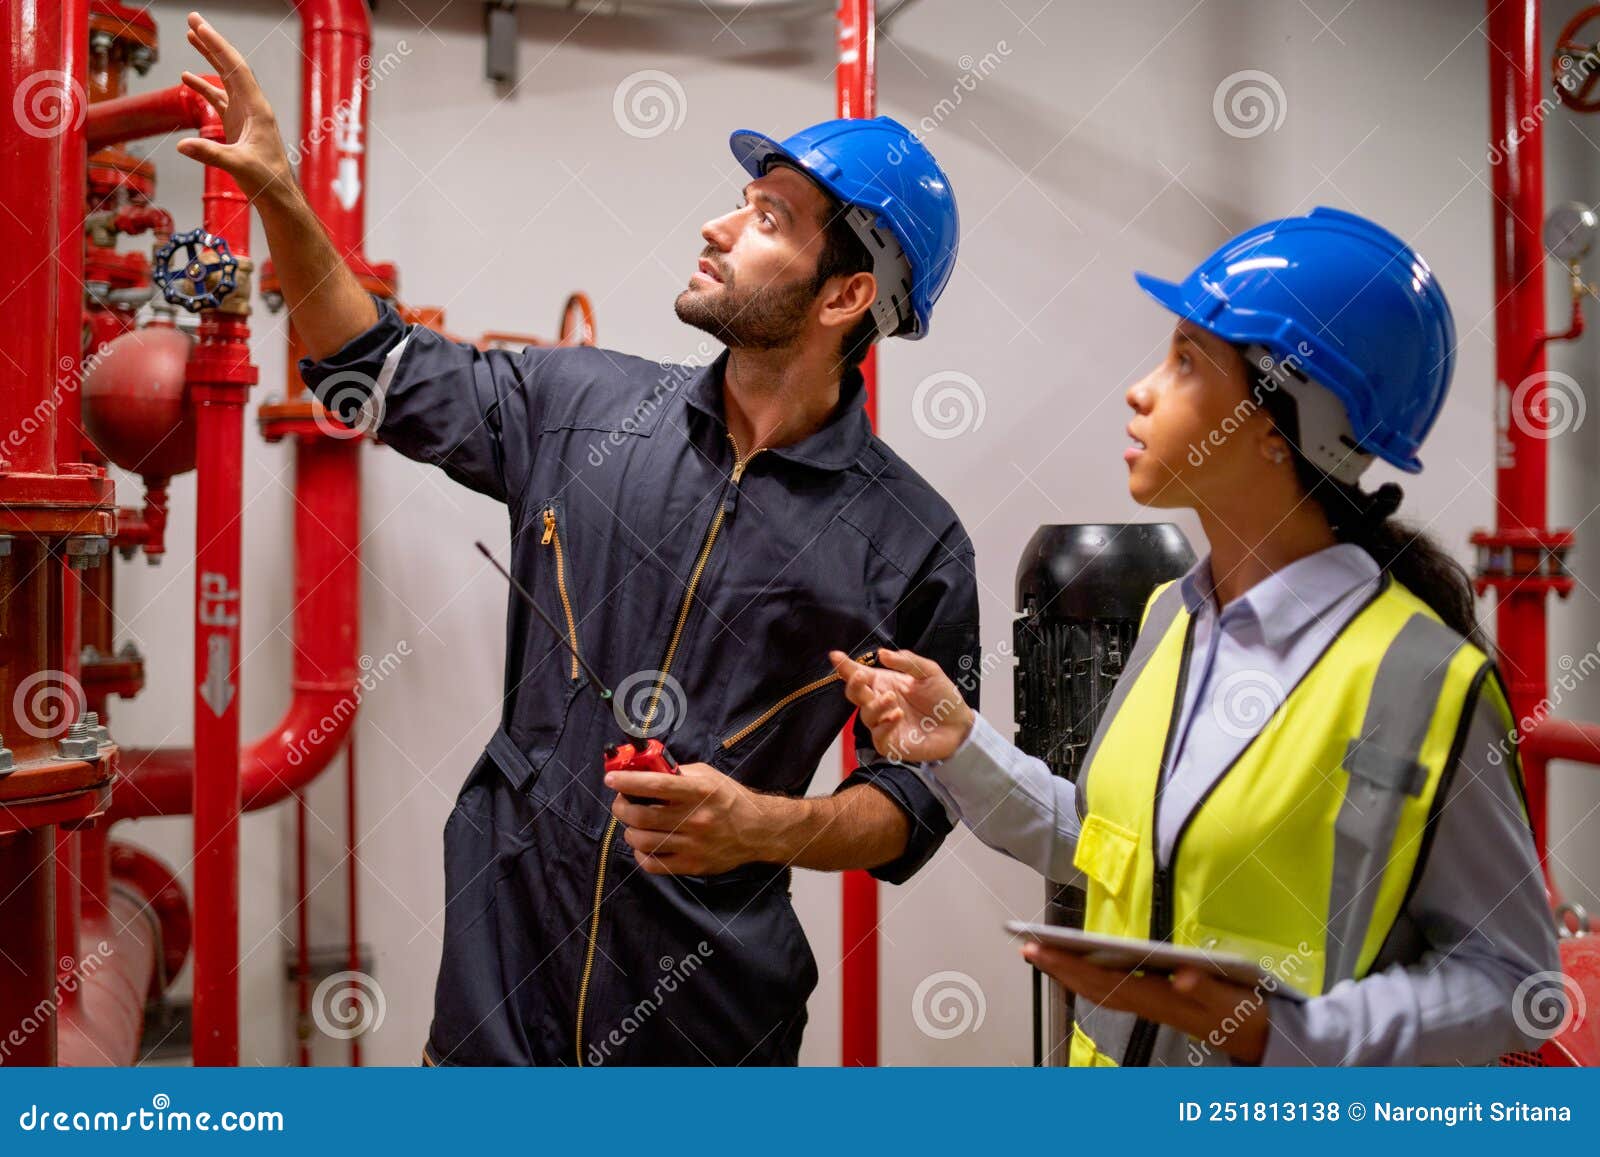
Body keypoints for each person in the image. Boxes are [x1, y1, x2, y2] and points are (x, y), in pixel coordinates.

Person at [175, 12, 979, 1065]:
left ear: (845, 294)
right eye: (741, 203)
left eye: (769, 218)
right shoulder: (580, 408)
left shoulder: (909, 541)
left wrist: (762, 824)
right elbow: (368, 365)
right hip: (497, 1007)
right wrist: (283, 196)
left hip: (711, 1032)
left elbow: (914, 796)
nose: (719, 228)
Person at [833, 207, 1563, 1066]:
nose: (1142, 390)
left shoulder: (1422, 679)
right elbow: (1124, 848)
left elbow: (1515, 983)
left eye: (1186, 361)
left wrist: (1281, 1031)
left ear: (1281, 420)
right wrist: (959, 745)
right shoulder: (1174, 616)